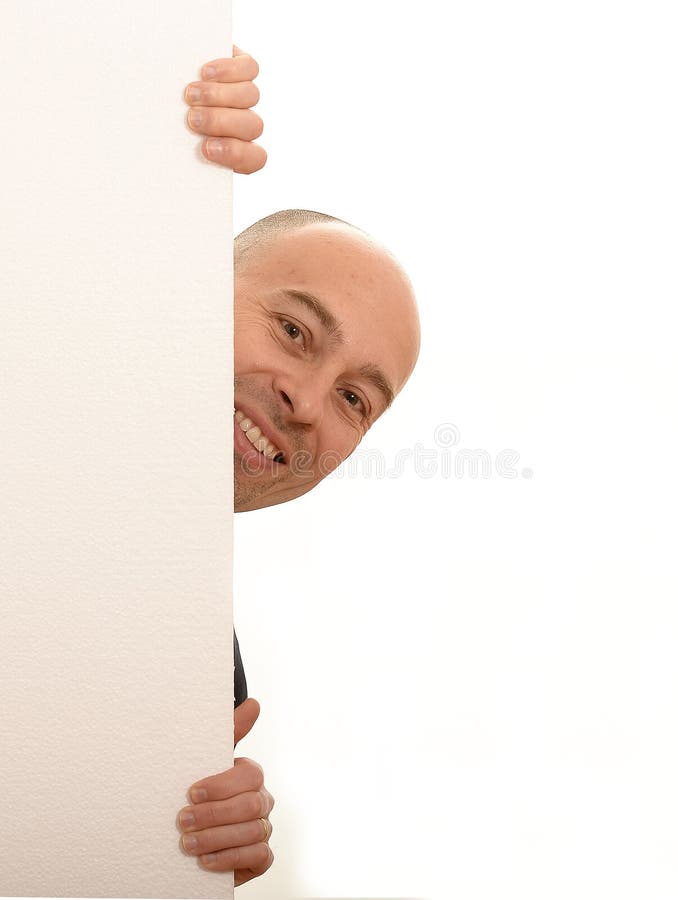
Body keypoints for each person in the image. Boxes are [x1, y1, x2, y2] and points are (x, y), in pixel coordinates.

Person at [174, 47, 421, 888]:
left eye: (357, 400)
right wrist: (143, 131)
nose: (309, 402)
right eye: (293, 331)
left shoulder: (199, 673)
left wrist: (167, 840)